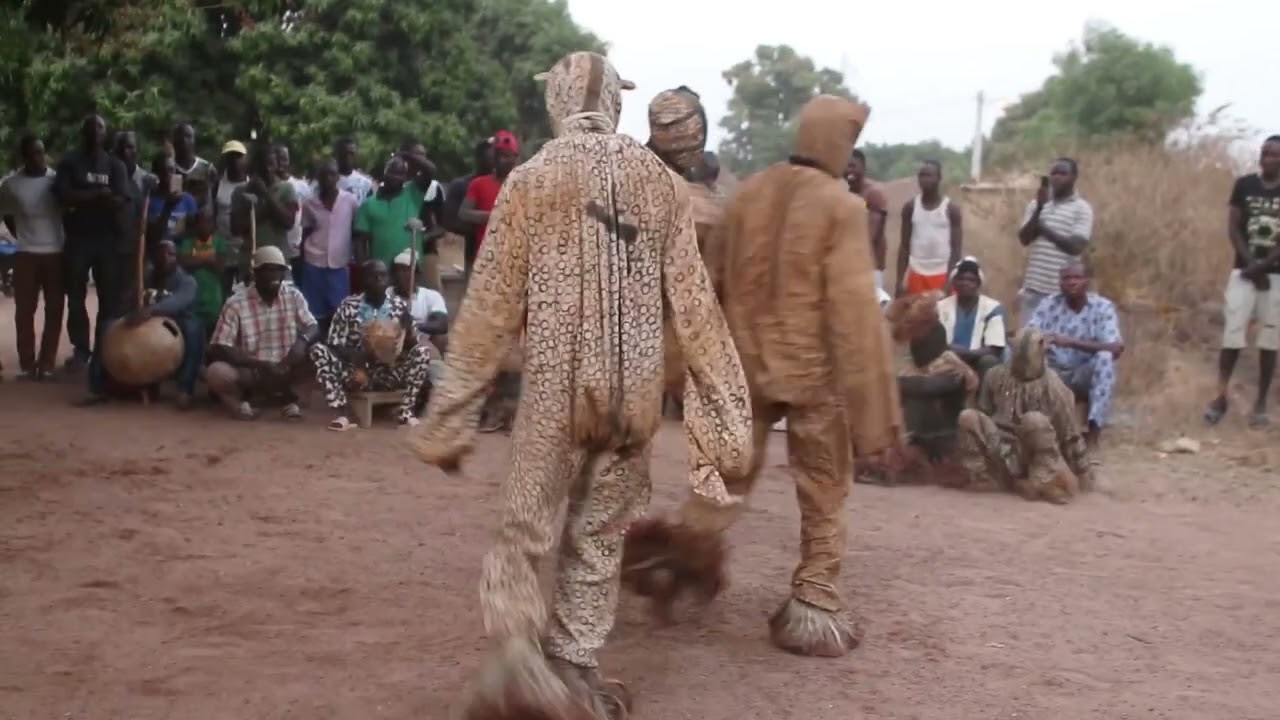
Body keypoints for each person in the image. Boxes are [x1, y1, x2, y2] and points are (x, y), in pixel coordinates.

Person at [408, 52, 752, 719]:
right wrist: (728, 414)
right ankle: (575, 668)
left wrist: (448, 421)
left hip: (559, 394)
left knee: (525, 527)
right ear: (617, 103)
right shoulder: (658, 181)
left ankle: (516, 664)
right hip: (635, 399)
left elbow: (489, 309)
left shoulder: (534, 177)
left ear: (556, 101)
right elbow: (697, 306)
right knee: (600, 535)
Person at [625, 95, 902, 659]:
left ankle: (679, 553)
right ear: (841, 144)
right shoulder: (841, 208)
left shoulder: (748, 194)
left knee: (727, 480)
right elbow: (855, 315)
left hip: (742, 371)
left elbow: (707, 286)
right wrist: (877, 421)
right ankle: (814, 601)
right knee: (823, 490)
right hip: (812, 378)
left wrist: (679, 366)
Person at [955, 326, 1094, 504]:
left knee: (1034, 421)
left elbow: (1069, 434)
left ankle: (1040, 482)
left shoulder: (1054, 386)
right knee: (968, 416)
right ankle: (982, 478)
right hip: (1000, 446)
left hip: (1032, 454)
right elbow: (984, 412)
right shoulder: (995, 375)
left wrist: (1083, 472)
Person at [1205, 135, 1280, 428]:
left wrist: (1262, 268)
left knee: (1269, 342)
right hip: (1243, 273)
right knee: (1232, 336)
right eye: (1264, 152)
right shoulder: (1245, 185)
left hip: (1275, 276)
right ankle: (1220, 397)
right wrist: (1251, 265)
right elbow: (1234, 228)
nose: (1268, 158)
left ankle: (1260, 403)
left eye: (1274, 154)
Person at [310, 259, 434, 431]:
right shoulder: (348, 306)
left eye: (382, 276)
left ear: (388, 279)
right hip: (357, 373)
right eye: (372, 276)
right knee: (318, 350)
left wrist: (407, 330)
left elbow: (412, 345)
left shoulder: (399, 306)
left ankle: (406, 412)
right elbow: (334, 344)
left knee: (422, 352)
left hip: (391, 373)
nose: (378, 280)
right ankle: (343, 413)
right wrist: (358, 355)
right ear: (362, 280)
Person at [81, 240, 205, 409]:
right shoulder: (146, 275)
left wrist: (150, 311)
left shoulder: (187, 281)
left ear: (177, 258)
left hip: (174, 322)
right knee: (106, 326)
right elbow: (126, 301)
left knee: (194, 329)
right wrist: (130, 307)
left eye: (170, 254)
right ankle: (96, 388)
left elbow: (178, 303)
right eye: (162, 254)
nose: (166, 258)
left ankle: (185, 390)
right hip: (143, 323)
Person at [206, 246, 319, 420]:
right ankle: (240, 405)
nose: (275, 276)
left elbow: (313, 326)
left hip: (285, 367)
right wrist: (261, 365)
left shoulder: (293, 296)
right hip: (252, 371)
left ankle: (294, 402)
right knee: (217, 372)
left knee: (319, 353)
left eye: (279, 271)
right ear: (256, 273)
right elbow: (219, 347)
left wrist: (302, 342)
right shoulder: (235, 303)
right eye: (269, 271)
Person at [55, 114, 131, 370]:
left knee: (108, 297)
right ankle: (81, 349)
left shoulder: (115, 164)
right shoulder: (69, 162)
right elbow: (63, 195)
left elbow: (121, 199)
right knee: (75, 298)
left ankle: (103, 348)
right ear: (82, 132)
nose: (95, 132)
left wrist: (84, 198)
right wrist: (99, 195)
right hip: (78, 239)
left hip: (108, 240)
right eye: (90, 128)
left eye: (100, 128)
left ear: (105, 133)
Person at [1027, 260, 1123, 447]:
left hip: (1083, 372)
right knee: (1030, 357)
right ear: (1060, 282)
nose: (1071, 282)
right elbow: (1028, 334)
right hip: (1053, 371)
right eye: (1066, 278)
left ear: (1087, 281)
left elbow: (1116, 348)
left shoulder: (1102, 307)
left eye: (1077, 277)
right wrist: (1038, 343)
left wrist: (1071, 342)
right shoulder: (1049, 304)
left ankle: (1093, 432)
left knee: (1105, 359)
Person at [0, 134, 64, 381]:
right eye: (34, 153)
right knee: (25, 310)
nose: (39, 157)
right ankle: (27, 363)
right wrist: (19, 236)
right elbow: (5, 213)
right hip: (26, 252)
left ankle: (47, 363)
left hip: (55, 252)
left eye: (41, 152)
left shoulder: (56, 181)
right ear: (24, 157)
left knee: (55, 307)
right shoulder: (11, 184)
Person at [1017, 157, 1093, 324]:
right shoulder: (1036, 205)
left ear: (1074, 177)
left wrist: (1042, 228)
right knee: (1028, 344)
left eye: (1063, 173)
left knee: (1059, 344)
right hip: (1034, 288)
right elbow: (1024, 239)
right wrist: (1039, 208)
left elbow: (1075, 247)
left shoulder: (1082, 209)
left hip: (1064, 292)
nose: (1057, 177)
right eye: (1054, 173)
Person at [298, 159, 357, 334]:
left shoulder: (350, 201)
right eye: (324, 175)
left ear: (338, 177)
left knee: (339, 313)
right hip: (314, 263)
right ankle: (316, 349)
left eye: (332, 174)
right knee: (315, 314)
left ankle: (336, 350)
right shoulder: (309, 203)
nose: (328, 178)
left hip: (339, 265)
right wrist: (303, 262)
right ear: (318, 178)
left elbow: (354, 230)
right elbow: (305, 233)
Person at [391, 248, 448, 411]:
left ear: (417, 274)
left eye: (406, 270)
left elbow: (442, 324)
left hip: (421, 343)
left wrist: (415, 327)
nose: (401, 275)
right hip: (394, 346)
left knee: (435, 346)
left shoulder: (430, 296)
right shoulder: (387, 295)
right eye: (398, 271)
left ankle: (441, 399)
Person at [896, 160, 961, 297]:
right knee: (916, 315)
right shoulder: (911, 207)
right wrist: (899, 281)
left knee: (942, 315)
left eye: (929, 175)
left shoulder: (950, 209)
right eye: (921, 175)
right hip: (916, 271)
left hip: (942, 271)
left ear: (939, 178)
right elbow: (904, 246)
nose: (924, 179)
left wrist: (950, 280)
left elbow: (956, 249)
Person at [231, 145, 299, 276]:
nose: (267, 169)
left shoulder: (287, 189)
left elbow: (288, 222)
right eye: (262, 166)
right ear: (255, 168)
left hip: (279, 258)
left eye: (271, 164)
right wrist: (268, 211)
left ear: (276, 166)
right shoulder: (241, 191)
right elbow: (236, 228)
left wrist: (265, 194)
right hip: (250, 259)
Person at [936, 256, 1007, 379]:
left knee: (989, 361)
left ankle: (982, 398)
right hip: (948, 360)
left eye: (971, 280)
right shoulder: (941, 307)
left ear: (978, 284)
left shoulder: (992, 308)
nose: (965, 283)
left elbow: (995, 349)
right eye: (961, 279)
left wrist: (967, 353)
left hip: (977, 361)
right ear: (954, 282)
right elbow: (935, 343)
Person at [353, 156, 429, 270]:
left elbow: (430, 170)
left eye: (400, 173)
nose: (395, 177)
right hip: (382, 272)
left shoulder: (413, 194)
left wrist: (406, 154)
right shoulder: (368, 204)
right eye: (392, 172)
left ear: (406, 177)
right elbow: (360, 241)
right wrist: (365, 268)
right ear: (385, 173)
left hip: (410, 270)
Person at [458, 130, 519, 257]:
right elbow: (464, 213)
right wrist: (494, 215)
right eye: (502, 156)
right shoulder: (478, 184)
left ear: (515, 158)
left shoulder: (524, 185)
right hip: (485, 255)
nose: (506, 161)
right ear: (495, 158)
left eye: (509, 156)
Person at [441, 139, 493, 282]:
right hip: (474, 254)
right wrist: (482, 225)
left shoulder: (506, 184)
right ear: (478, 158)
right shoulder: (462, 185)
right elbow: (449, 221)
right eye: (490, 158)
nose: (494, 162)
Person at [176, 209, 232, 337]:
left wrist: (196, 260)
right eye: (201, 222)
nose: (204, 225)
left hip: (214, 298)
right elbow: (184, 263)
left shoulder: (219, 242)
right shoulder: (187, 242)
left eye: (208, 222)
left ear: (213, 224)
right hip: (193, 298)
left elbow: (219, 266)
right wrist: (208, 260)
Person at [113, 130, 154, 299]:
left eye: (130, 147)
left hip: (141, 252)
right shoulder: (110, 177)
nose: (125, 152)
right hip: (113, 252)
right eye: (121, 147)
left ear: (138, 150)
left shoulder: (149, 181)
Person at [399, 139, 444, 290]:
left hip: (426, 251)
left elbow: (442, 227)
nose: (421, 159)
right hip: (398, 250)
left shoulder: (432, 187)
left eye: (423, 155)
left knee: (431, 296)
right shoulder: (395, 184)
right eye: (417, 154)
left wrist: (421, 238)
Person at [847, 148, 889, 291]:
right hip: (848, 264)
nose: (848, 171)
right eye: (845, 166)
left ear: (863, 168)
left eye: (852, 166)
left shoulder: (873, 193)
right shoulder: (842, 192)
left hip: (871, 266)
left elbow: (871, 235)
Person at [211, 140, 249, 295]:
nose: (234, 161)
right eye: (230, 156)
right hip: (223, 248)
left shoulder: (252, 185)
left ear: (245, 159)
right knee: (222, 291)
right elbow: (213, 214)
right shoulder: (217, 185)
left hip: (244, 248)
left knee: (245, 290)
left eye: (238, 156)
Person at [273, 143, 314, 280]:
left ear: (289, 161)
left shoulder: (301, 186)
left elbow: (310, 213)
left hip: (298, 248)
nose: (280, 163)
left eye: (284, 159)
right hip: (276, 247)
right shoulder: (268, 187)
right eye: (277, 159)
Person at [145, 152, 199, 249]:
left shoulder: (187, 199)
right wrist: (168, 207)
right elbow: (153, 237)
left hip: (181, 253)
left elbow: (194, 231)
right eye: (165, 170)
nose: (169, 174)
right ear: (157, 173)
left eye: (172, 170)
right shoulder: (150, 200)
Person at [171, 123, 215, 210]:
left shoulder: (207, 168)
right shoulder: (169, 168)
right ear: (174, 141)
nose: (184, 141)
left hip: (202, 220)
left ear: (194, 140)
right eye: (180, 137)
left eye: (188, 137)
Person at [333, 137, 375, 204]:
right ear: (336, 155)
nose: (348, 157)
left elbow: (370, 208)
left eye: (351, 154)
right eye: (344, 153)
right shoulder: (327, 182)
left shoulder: (365, 183)